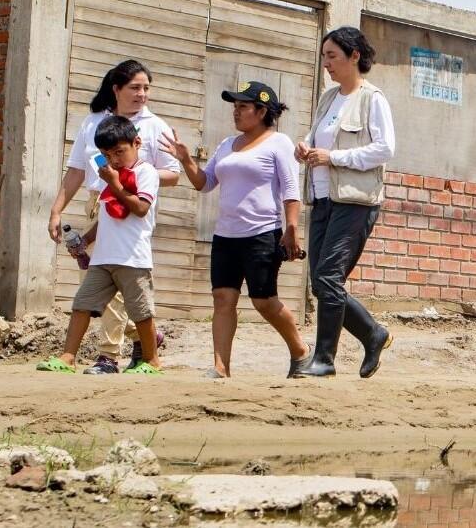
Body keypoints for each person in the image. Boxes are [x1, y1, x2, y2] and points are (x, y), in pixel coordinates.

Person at [160, 82, 309, 378]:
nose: (236, 112)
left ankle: (301, 352)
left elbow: (291, 191)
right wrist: (186, 159)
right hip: (226, 236)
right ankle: (221, 367)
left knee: (263, 300)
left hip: (262, 234)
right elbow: (205, 184)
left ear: (262, 110)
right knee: (222, 299)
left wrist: (291, 228)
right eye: (234, 106)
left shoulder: (278, 143)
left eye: (243, 106)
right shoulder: (227, 144)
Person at [46, 60, 180, 375]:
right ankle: (141, 340)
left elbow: (172, 176)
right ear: (116, 89)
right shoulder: (93, 122)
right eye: (135, 87)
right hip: (100, 203)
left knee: (127, 291)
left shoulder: (153, 127)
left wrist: (127, 179)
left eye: (146, 88)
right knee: (93, 290)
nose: (142, 94)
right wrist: (57, 210)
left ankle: (109, 356)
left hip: (132, 207)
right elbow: (77, 170)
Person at [294, 26, 397, 378]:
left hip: (355, 202)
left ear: (355, 56)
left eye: (332, 56)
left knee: (328, 276)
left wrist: (334, 157)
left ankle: (325, 359)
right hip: (322, 198)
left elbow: (384, 150)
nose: (326, 64)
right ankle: (372, 334)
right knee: (322, 281)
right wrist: (305, 148)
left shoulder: (372, 99)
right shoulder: (329, 98)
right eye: (324, 56)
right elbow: (314, 137)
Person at [36, 117, 162, 375]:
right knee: (82, 303)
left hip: (132, 259)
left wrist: (115, 183)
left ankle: (152, 362)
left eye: (119, 152)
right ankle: (68, 357)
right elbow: (106, 218)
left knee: (141, 312)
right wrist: (85, 241)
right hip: (103, 258)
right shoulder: (110, 177)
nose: (114, 159)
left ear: (136, 143)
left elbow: (140, 209)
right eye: (107, 154)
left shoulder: (145, 172)